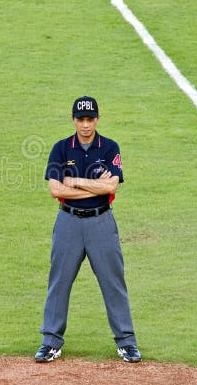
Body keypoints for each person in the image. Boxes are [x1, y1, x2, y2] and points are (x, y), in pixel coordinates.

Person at [34, 95, 141, 363]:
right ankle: (50, 341)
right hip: (68, 223)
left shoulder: (109, 148)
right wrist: (92, 186)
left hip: (101, 223)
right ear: (73, 120)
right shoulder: (60, 149)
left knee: (113, 282)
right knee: (59, 282)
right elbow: (55, 190)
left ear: (97, 119)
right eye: (80, 119)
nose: (85, 124)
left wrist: (75, 183)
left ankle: (126, 343)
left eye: (89, 118)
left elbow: (111, 187)